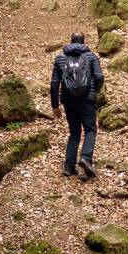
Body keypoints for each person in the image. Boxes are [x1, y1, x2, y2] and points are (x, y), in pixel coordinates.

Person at [50, 32, 104, 179]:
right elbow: (99, 77)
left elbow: (55, 83)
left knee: (74, 133)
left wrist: (55, 106)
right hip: (88, 100)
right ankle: (86, 158)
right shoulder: (91, 57)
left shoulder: (60, 58)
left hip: (69, 101)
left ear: (71, 41)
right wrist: (95, 92)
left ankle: (69, 166)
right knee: (90, 129)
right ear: (83, 42)